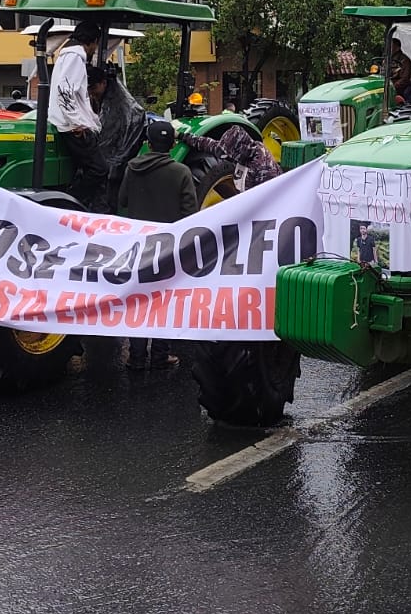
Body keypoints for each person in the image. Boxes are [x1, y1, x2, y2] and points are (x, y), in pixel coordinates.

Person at [117, 121, 197, 370]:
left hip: (139, 245)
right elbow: (190, 213)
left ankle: (137, 356)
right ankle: (161, 355)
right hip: (168, 249)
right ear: (172, 145)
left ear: (148, 144)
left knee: (139, 298)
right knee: (165, 300)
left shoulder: (132, 168)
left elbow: (122, 202)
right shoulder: (181, 172)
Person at [48, 22, 110, 208]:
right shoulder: (75, 58)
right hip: (72, 127)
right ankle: (75, 203)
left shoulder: (66, 56)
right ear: (93, 41)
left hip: (67, 123)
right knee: (99, 169)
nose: (95, 49)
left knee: (83, 169)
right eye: (96, 45)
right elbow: (65, 91)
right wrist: (77, 122)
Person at [180, 124, 282, 191]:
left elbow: (263, 200)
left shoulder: (264, 168)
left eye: (230, 153)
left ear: (240, 150)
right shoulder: (241, 151)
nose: (227, 156)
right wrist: (181, 136)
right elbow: (208, 144)